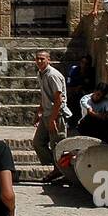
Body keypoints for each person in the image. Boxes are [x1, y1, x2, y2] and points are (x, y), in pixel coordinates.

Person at [31, 50, 68, 183]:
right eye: (38, 59)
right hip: (46, 114)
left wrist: (53, 119)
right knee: (38, 143)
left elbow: (58, 100)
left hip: (56, 115)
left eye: (42, 59)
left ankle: (62, 171)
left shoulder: (53, 75)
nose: (39, 61)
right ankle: (58, 168)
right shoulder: (40, 74)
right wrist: (39, 112)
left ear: (48, 60)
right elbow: (44, 95)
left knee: (58, 145)